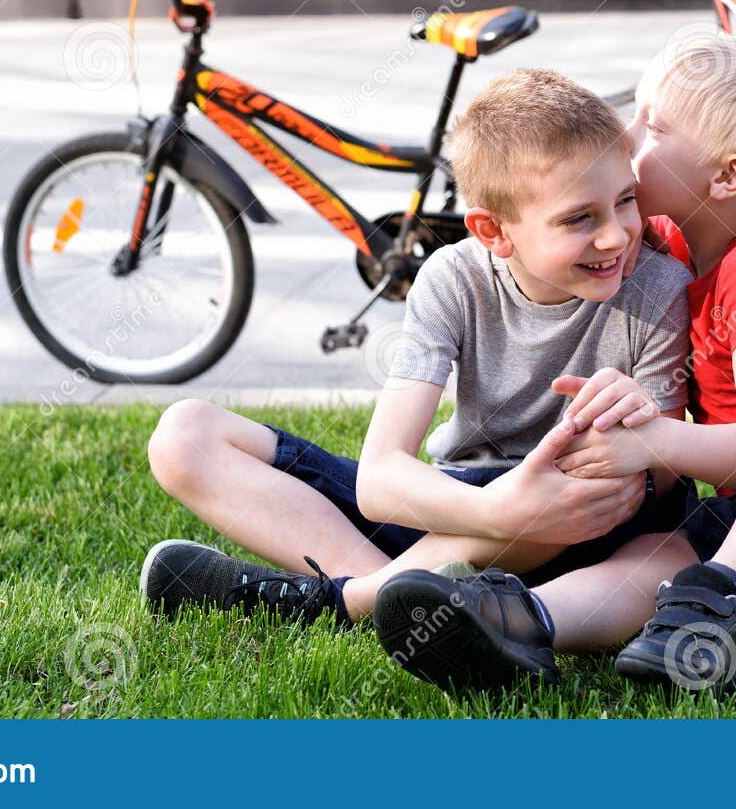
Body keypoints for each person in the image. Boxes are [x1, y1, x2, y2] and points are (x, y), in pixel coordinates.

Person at [373, 35, 736, 693]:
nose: (627, 131)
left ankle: (723, 594)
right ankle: (523, 622)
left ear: (727, 177)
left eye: (652, 123)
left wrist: (656, 440)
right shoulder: (664, 241)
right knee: (651, 560)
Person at [139, 69, 698, 686]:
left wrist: (617, 439)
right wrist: (498, 508)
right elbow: (381, 479)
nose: (615, 234)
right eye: (577, 219)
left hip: (587, 523)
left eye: (625, 200)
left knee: (614, 508)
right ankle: (418, 598)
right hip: (461, 504)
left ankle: (339, 601)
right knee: (183, 435)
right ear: (494, 231)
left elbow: (658, 476)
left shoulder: (659, 286)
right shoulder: (453, 278)